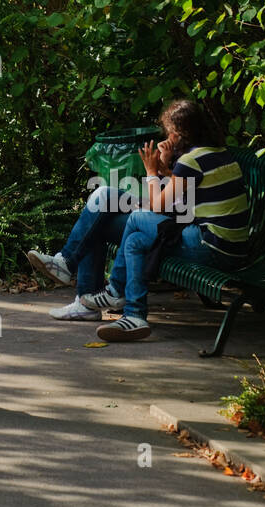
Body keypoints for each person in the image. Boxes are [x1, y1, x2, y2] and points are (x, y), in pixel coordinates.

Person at [94, 100, 251, 342]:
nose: (167, 136)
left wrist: (150, 171)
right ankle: (135, 316)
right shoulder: (217, 153)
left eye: (169, 131)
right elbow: (180, 196)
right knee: (135, 241)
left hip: (212, 246)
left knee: (136, 218)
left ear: (177, 134)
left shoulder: (191, 161)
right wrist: (165, 167)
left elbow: (158, 206)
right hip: (233, 247)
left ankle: (116, 289)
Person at [26, 141, 176, 322]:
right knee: (100, 204)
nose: (169, 137)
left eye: (174, 131)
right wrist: (164, 168)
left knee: (100, 208)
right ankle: (71, 275)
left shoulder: (192, 156)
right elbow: (166, 196)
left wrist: (155, 172)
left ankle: (68, 268)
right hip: (156, 214)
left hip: (165, 225)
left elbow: (166, 205)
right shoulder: (180, 153)